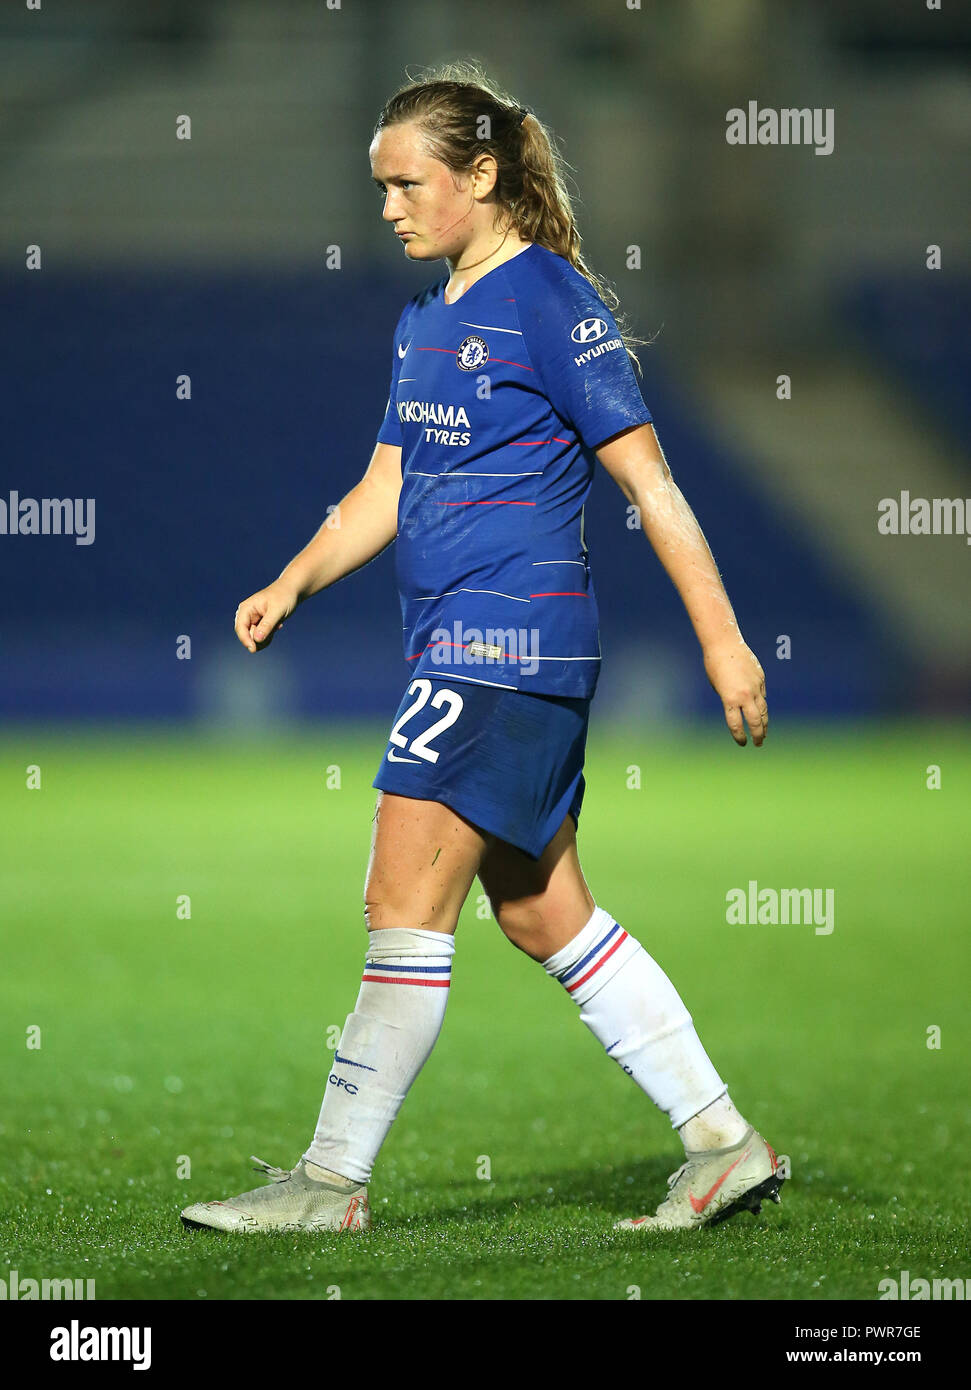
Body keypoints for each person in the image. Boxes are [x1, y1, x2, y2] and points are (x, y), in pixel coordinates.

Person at [181, 64, 784, 1237]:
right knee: (539, 910)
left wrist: (724, 643)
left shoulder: (552, 304)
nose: (390, 208)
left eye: (407, 184)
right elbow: (385, 488)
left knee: (400, 894)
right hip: (464, 650)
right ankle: (721, 1142)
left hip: (506, 645)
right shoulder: (425, 320)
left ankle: (327, 1182)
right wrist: (292, 578)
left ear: (482, 174)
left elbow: (650, 486)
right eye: (381, 188)